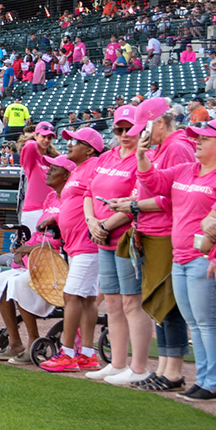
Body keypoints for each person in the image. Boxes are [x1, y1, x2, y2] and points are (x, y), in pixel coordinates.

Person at [143, 119, 216, 400]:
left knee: (208, 322)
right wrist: (143, 157)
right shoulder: (186, 170)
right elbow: (153, 182)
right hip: (179, 256)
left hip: (205, 256)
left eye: (205, 138)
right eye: (196, 137)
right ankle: (204, 378)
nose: (198, 141)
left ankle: (215, 381)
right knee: (194, 320)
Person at [111, 109, 194, 391]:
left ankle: (173, 371)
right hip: (151, 230)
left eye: (143, 126)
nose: (135, 134)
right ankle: (164, 369)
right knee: (159, 303)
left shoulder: (179, 147)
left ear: (159, 122)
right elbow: (153, 187)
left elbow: (174, 199)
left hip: (166, 233)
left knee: (167, 303)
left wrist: (133, 206)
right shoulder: (162, 148)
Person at [82, 106, 151, 384]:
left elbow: (137, 200)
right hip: (103, 236)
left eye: (130, 129)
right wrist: (91, 222)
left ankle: (139, 368)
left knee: (132, 302)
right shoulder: (107, 157)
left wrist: (104, 225)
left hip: (126, 238)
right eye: (119, 129)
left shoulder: (142, 159)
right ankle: (118, 363)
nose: (124, 134)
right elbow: (89, 193)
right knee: (111, 301)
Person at [0, 155, 74, 362]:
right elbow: (39, 233)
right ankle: (15, 343)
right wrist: (23, 249)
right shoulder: (51, 198)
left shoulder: (72, 201)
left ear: (66, 175)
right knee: (1, 281)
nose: (48, 171)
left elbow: (64, 239)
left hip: (57, 263)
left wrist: (31, 248)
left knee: (18, 283)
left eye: (54, 169)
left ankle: (33, 339)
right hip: (37, 259)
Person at [39, 128, 105, 372]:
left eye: (75, 141)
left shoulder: (96, 165)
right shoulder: (80, 169)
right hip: (77, 243)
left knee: (72, 296)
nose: (69, 144)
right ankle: (86, 353)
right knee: (87, 298)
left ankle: (67, 353)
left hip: (88, 242)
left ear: (89, 149)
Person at [18, 122, 58, 232]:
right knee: (31, 246)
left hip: (52, 208)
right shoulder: (31, 158)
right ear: (36, 135)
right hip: (34, 208)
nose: (46, 140)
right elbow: (30, 146)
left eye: (49, 138)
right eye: (43, 136)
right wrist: (33, 139)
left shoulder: (53, 158)